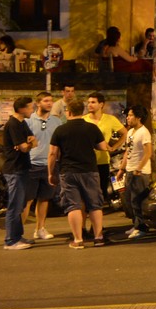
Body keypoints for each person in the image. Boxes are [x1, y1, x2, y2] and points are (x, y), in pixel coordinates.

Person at [47, 99, 111, 248]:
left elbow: (52, 154)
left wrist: (51, 173)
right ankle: (98, 237)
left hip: (68, 172)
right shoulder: (92, 128)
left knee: (73, 206)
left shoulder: (60, 130)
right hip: (89, 170)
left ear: (68, 112)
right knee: (95, 204)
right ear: (82, 112)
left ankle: (78, 240)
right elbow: (102, 147)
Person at [24, 91, 62, 241]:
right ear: (38, 103)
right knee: (27, 200)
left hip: (50, 165)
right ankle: (19, 234)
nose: (49, 103)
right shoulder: (29, 120)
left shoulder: (57, 121)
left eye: (51, 101)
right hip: (32, 165)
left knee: (45, 199)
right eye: (46, 101)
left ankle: (40, 229)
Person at [2, 97, 37, 250]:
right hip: (14, 169)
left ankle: (18, 236)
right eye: (30, 107)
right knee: (14, 205)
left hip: (22, 168)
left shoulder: (23, 123)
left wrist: (29, 143)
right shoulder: (13, 124)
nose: (32, 110)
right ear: (21, 108)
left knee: (21, 205)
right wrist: (28, 144)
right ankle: (10, 241)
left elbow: (33, 141)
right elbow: (24, 147)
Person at [118, 104, 153, 239]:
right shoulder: (131, 132)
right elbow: (128, 151)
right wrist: (122, 169)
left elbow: (148, 152)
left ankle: (142, 227)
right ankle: (136, 224)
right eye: (128, 115)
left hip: (140, 172)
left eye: (131, 115)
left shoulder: (144, 132)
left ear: (138, 117)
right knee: (130, 200)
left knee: (138, 200)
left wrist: (139, 168)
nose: (128, 118)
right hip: (130, 170)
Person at [85, 92, 124, 206]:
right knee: (87, 192)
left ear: (101, 104)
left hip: (102, 161)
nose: (90, 105)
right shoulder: (84, 119)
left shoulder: (110, 119)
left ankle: (97, 221)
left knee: (100, 192)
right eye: (88, 102)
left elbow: (124, 133)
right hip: (87, 161)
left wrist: (114, 147)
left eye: (93, 102)